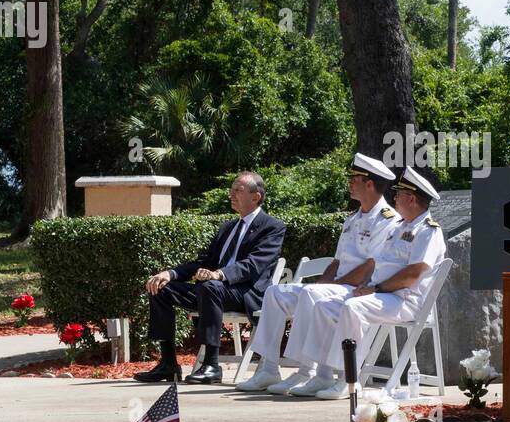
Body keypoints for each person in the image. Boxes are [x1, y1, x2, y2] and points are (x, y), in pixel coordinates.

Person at [236, 153, 397, 394]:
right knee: (275, 294)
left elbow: (370, 266)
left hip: (358, 288)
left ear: (370, 184)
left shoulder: (387, 220)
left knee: (312, 294)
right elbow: (337, 261)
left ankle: (307, 371)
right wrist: (321, 284)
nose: (350, 182)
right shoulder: (352, 219)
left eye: (354, 178)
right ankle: (268, 369)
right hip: (336, 286)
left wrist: (324, 287)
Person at [301, 165, 446, 400]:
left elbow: (413, 274)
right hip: (381, 294)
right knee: (324, 306)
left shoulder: (428, 231)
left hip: (404, 300)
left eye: (398, 194)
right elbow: (380, 263)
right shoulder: (399, 227)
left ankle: (348, 378)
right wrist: (366, 286)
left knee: (351, 308)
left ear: (411, 198)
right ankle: (322, 374)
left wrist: (374, 288)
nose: (394, 198)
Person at [134, 173, 285, 384]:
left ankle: (212, 365)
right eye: (231, 189)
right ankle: (168, 364)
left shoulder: (272, 227)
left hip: (246, 292)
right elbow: (203, 262)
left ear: (256, 196)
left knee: (210, 286)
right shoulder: (228, 228)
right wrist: (170, 274)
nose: (231, 194)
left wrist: (219, 274)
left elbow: (254, 264)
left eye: (238, 190)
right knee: (161, 288)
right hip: (213, 290)